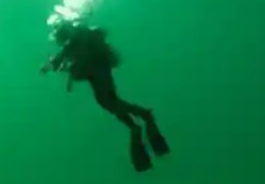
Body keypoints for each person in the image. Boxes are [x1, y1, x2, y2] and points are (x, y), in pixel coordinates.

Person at [41, 19, 170, 172]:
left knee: (108, 102)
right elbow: (63, 60)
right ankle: (138, 125)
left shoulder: (74, 43)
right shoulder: (84, 37)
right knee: (111, 101)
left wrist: (48, 67)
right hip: (102, 71)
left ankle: (143, 117)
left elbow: (59, 61)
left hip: (97, 73)